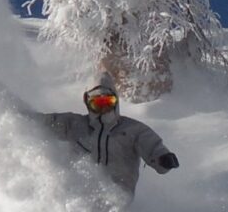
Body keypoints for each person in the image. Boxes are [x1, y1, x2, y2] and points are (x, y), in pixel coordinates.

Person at [30, 72, 179, 203]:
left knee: (110, 209)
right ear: (88, 103)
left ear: (116, 102)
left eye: (108, 102)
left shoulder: (133, 130)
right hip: (80, 197)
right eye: (97, 103)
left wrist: (163, 158)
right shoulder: (75, 125)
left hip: (119, 196)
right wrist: (16, 115)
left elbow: (152, 145)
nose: (103, 109)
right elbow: (43, 123)